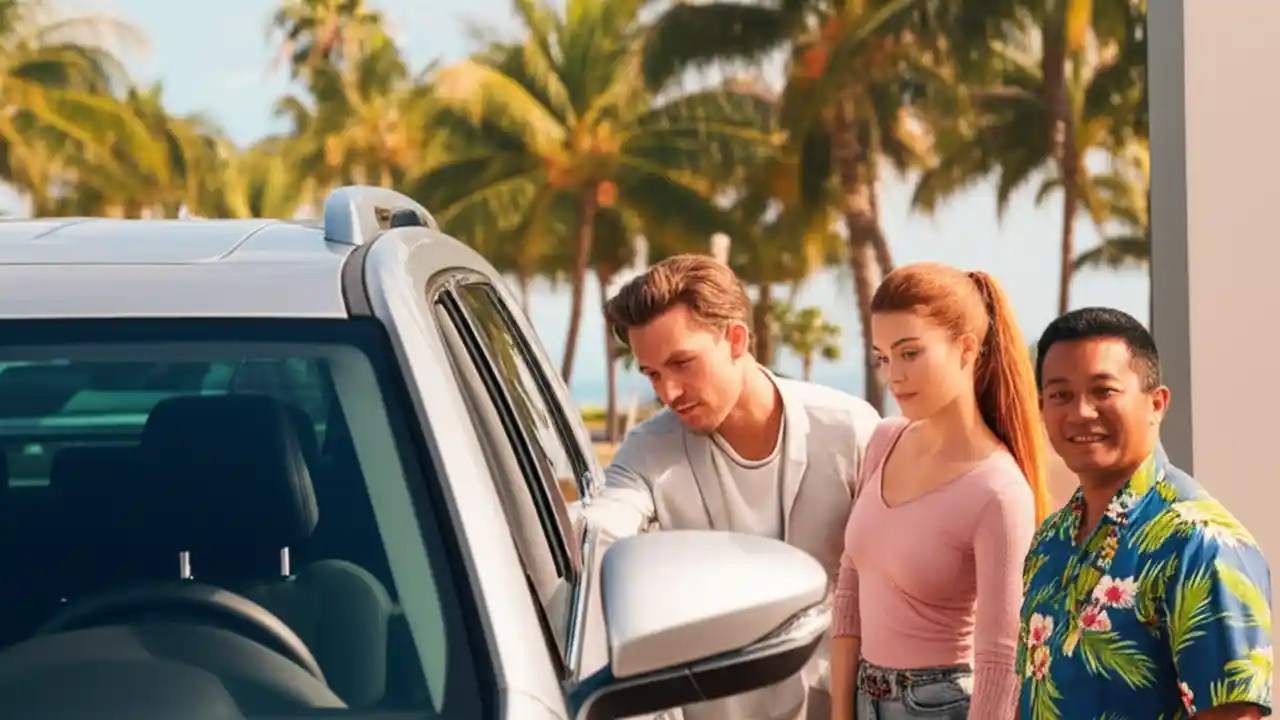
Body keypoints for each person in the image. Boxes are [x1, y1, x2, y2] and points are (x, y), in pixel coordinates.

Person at [584, 254, 882, 720]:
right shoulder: (647, 450)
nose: (669, 393)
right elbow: (599, 527)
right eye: (653, 374)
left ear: (736, 339)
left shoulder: (851, 430)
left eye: (682, 363)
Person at [1016, 307, 1272, 720]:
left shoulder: (1201, 542)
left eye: (1103, 391)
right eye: (1060, 394)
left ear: (1157, 403)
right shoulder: (1051, 538)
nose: (1081, 412)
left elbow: (1231, 713)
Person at [829, 262, 1050, 720]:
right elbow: (849, 590)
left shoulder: (998, 491)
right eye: (883, 357)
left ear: (965, 349)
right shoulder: (885, 441)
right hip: (863, 698)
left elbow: (1001, 657)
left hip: (940, 706)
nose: (894, 375)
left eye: (910, 353)